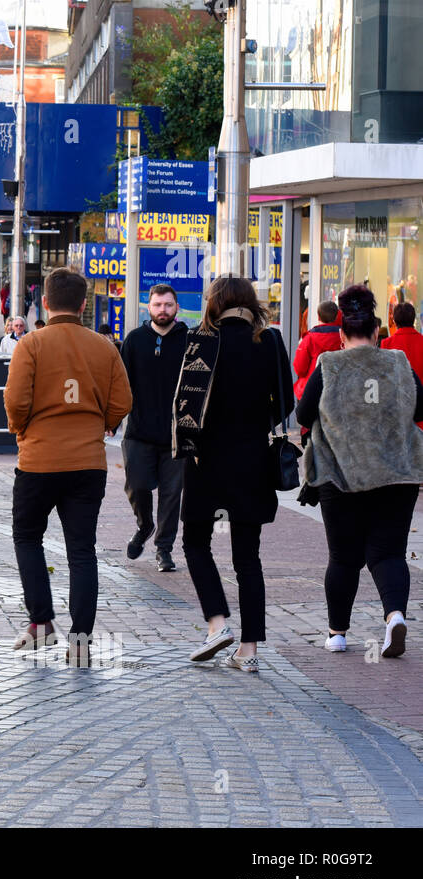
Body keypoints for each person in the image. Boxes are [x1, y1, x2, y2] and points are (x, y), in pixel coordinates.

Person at [4, 267, 132, 663]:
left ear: (44, 302)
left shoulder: (31, 344)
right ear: (83, 304)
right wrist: (102, 427)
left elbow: (15, 401)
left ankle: (41, 622)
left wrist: (22, 432)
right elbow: (122, 401)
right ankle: (80, 641)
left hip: (39, 460)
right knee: (82, 550)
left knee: (27, 537)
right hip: (87, 462)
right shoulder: (104, 347)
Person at [175, 276, 294, 672]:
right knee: (248, 559)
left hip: (206, 462)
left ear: (214, 303)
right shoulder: (270, 341)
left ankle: (217, 624)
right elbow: (286, 401)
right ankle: (249, 652)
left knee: (195, 542)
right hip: (253, 463)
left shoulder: (201, 340)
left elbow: (185, 407)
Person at [298, 284, 423, 659]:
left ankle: (337, 633)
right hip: (396, 474)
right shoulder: (398, 362)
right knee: (389, 554)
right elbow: (420, 408)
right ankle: (395, 616)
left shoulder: (329, 365)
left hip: (340, 475)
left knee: (343, 557)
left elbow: (303, 415)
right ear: (377, 332)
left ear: (340, 334)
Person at [120, 284, 189, 573]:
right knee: (137, 486)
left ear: (177, 307)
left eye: (168, 305)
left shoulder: (190, 340)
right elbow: (122, 385)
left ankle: (164, 549)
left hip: (177, 434)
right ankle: (144, 524)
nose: (163, 310)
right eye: (158, 305)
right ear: (148, 307)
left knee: (172, 495)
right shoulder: (135, 340)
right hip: (139, 432)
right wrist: (113, 420)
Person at [381, 302, 423, 424]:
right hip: (420, 407)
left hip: (396, 406)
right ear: (414, 319)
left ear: (394, 320)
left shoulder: (386, 343)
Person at [293, 301, 342, 401]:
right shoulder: (345, 339)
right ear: (337, 316)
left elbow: (300, 369)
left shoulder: (309, 339)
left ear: (318, 317)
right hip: (337, 392)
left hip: (311, 392)